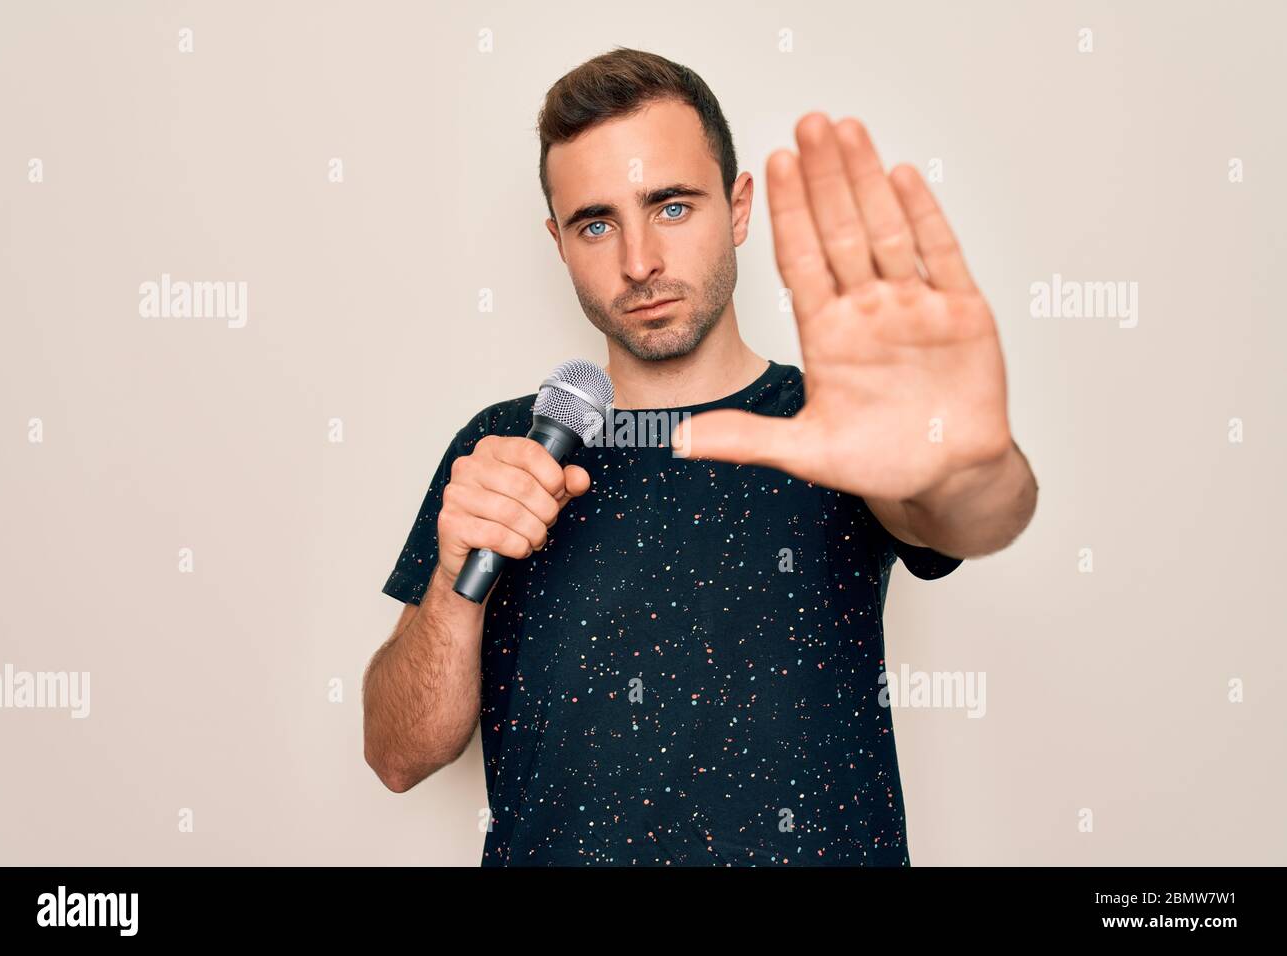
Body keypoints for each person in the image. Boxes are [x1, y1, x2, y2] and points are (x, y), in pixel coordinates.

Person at [364, 47, 1037, 866]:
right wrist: (452, 584)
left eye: (672, 207)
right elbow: (397, 755)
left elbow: (978, 514)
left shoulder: (834, 424)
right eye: (596, 224)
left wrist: (965, 460)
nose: (638, 261)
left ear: (738, 207)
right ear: (559, 243)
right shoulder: (506, 447)